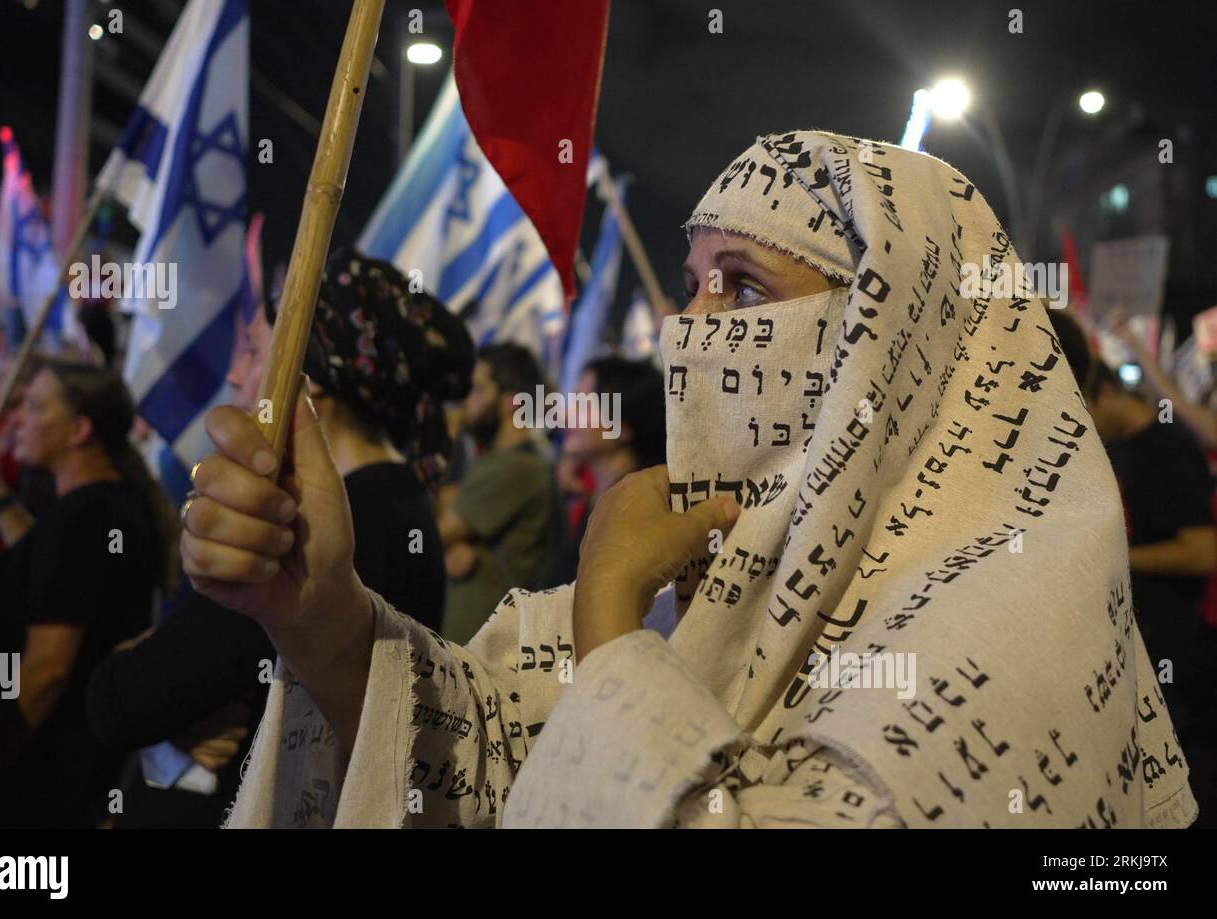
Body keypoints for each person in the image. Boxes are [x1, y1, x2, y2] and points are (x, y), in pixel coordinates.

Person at [185, 131, 1195, 828]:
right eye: (695, 282)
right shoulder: (720, 573)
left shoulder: (1014, 619)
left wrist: (613, 622)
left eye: (745, 286)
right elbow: (487, 764)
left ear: (884, 344)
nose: (694, 328)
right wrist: (319, 618)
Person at [85, 250, 470, 826]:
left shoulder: (323, 522)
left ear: (311, 379)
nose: (236, 374)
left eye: (252, 350)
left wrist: (129, 663)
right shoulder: (403, 504)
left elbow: (122, 703)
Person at [0, 361, 174, 827]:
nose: (16, 418)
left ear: (79, 430)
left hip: (43, 790)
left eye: (33, 406)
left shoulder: (81, 519)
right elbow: (47, 572)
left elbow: (46, 671)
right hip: (80, 778)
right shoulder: (104, 506)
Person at [1050, 310, 1217, 827]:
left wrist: (1111, 555)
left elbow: (1203, 551)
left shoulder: (1167, 450)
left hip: (1181, 675)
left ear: (1099, 393)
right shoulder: (1115, 448)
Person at [439, 343, 565, 643]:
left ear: (510, 401)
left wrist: (442, 544)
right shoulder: (495, 461)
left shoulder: (518, 467)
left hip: (485, 659)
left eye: (479, 389)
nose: (467, 400)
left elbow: (434, 531)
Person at [550, 355, 666, 586]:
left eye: (583, 406)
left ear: (622, 428)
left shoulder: (631, 508)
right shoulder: (594, 494)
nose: (565, 416)